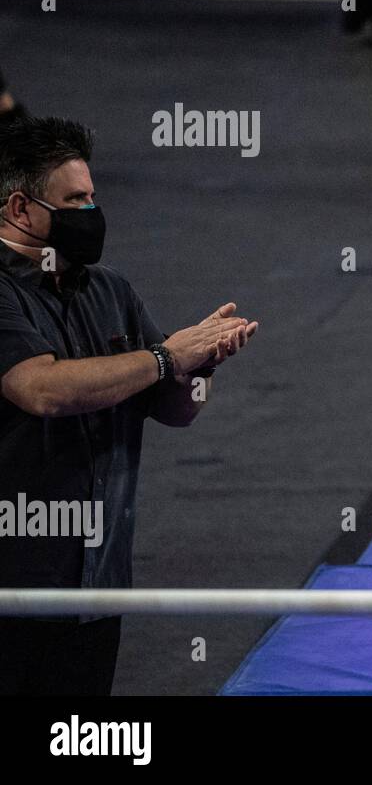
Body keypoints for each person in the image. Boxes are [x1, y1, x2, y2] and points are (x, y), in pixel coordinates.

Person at [0, 114, 259, 695]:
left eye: (92, 196)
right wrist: (167, 357)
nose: (91, 213)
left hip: (97, 585)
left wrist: (202, 361)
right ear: (20, 209)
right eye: (75, 200)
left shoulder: (108, 289)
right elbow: (41, 390)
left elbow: (175, 409)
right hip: (12, 592)